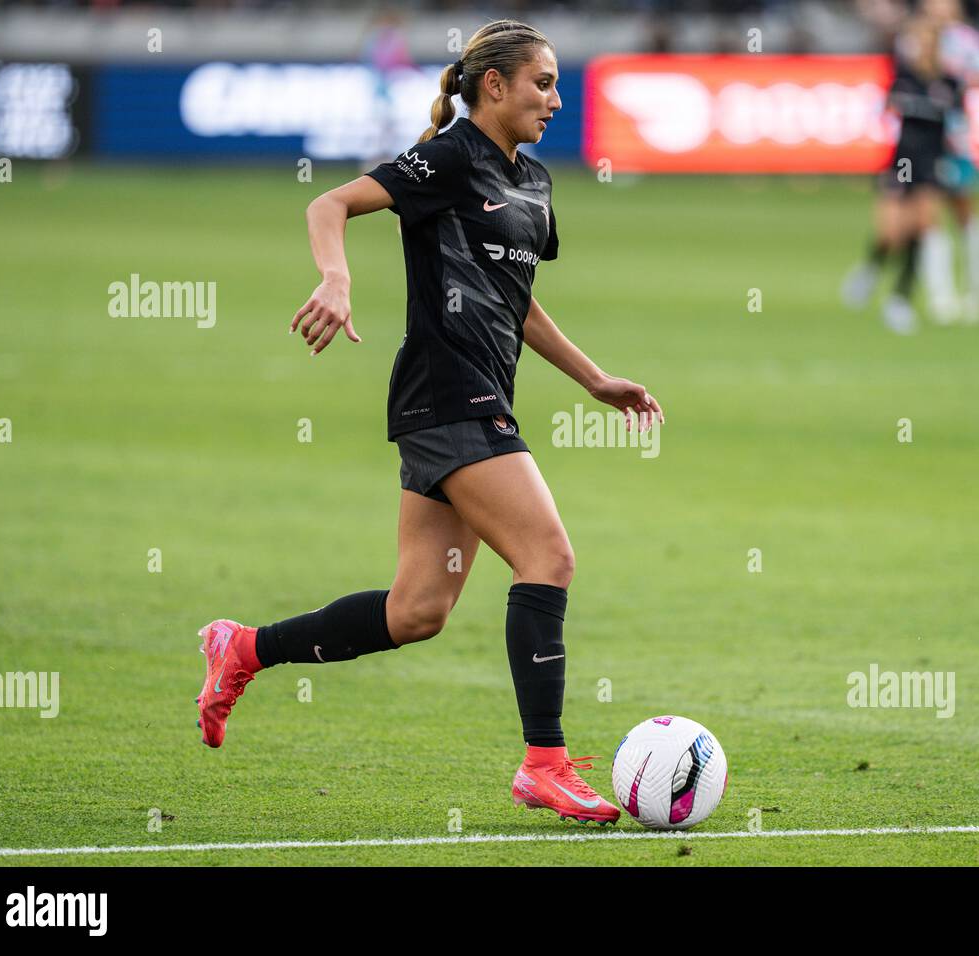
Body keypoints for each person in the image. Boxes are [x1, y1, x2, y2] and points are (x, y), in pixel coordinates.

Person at [194, 19, 664, 826]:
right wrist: (335, 281)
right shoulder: (447, 158)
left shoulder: (537, 183)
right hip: (448, 394)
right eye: (541, 83)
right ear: (494, 85)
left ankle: (243, 649)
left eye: (556, 84)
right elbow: (331, 203)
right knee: (548, 557)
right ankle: (544, 765)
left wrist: (594, 379)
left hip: (473, 397)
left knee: (418, 610)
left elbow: (517, 303)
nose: (555, 98)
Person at [843, 16, 960, 335]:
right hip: (901, 164)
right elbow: (885, 115)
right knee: (890, 233)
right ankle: (871, 268)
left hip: (931, 166)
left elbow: (958, 128)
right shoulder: (903, 79)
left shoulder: (949, 84)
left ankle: (900, 300)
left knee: (922, 230)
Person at [920, 0, 979, 324]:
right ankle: (941, 297)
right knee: (929, 216)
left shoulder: (967, 40)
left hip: (956, 139)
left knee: (965, 212)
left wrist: (961, 81)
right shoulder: (916, 38)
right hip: (923, 140)